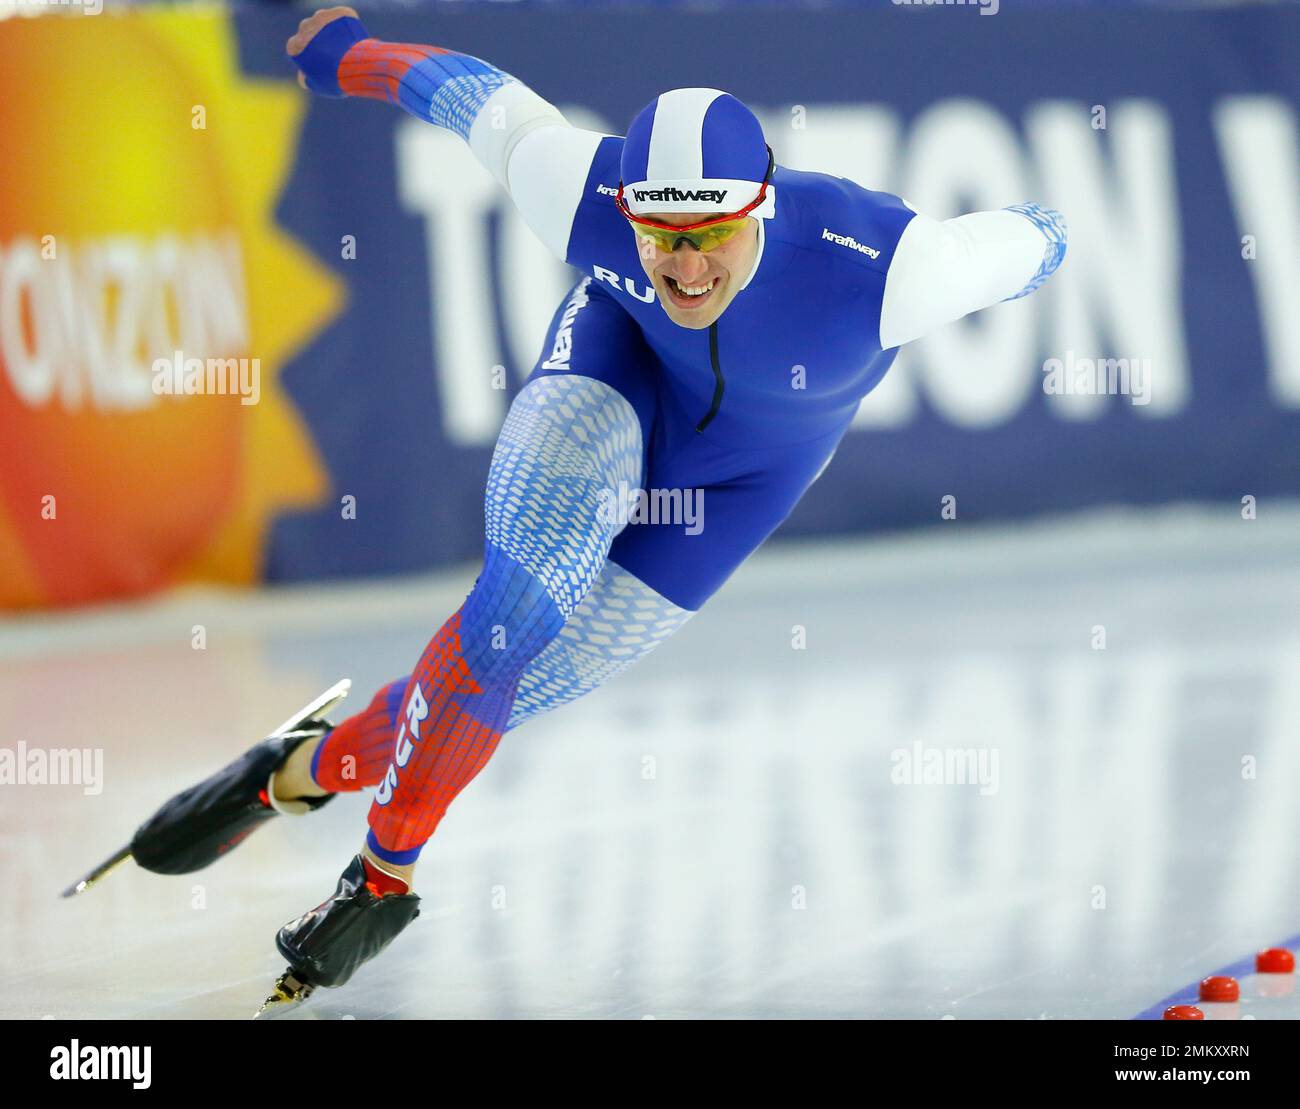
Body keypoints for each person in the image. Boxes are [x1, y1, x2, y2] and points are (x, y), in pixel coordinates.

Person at [70, 6, 1066, 1012]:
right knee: (515, 612)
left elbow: (1032, 239)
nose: (684, 265)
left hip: (737, 484)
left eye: (712, 232)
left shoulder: (894, 270)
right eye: (659, 233)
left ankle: (293, 771)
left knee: (504, 687)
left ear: (758, 206)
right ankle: (382, 874)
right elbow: (462, 92)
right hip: (614, 368)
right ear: (626, 207)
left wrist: (1049, 231)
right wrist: (347, 53)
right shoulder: (575, 187)